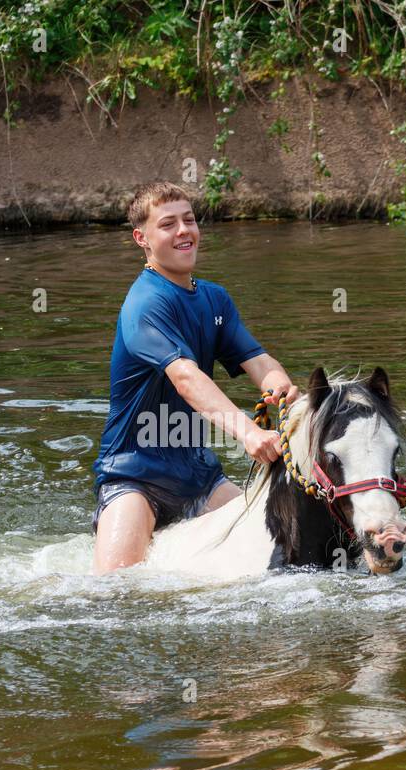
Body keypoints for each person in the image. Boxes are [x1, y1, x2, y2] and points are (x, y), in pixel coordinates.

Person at [91, 181, 300, 574]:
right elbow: (186, 378)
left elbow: (257, 361)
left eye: (189, 220)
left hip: (201, 479)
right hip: (134, 476)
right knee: (114, 594)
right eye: (168, 224)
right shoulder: (144, 304)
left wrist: (285, 394)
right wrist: (249, 433)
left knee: (280, 556)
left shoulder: (215, 300)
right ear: (143, 238)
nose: (184, 230)